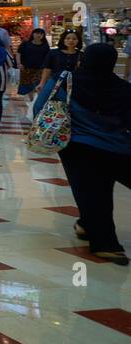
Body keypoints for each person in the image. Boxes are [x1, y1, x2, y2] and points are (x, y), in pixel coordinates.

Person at [34, 42, 131, 264]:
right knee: (98, 189)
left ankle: (107, 244)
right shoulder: (123, 88)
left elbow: (40, 107)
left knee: (93, 193)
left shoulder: (66, 81)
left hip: (77, 146)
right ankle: (87, 225)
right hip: (116, 147)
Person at [17, 28, 50, 97]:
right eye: (37, 33)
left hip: (40, 69)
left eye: (41, 34)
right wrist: (19, 63)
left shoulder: (45, 45)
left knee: (38, 85)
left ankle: (37, 100)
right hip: (26, 68)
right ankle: (31, 100)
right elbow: (19, 53)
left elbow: (48, 57)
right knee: (28, 86)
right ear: (33, 34)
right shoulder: (25, 43)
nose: (39, 35)